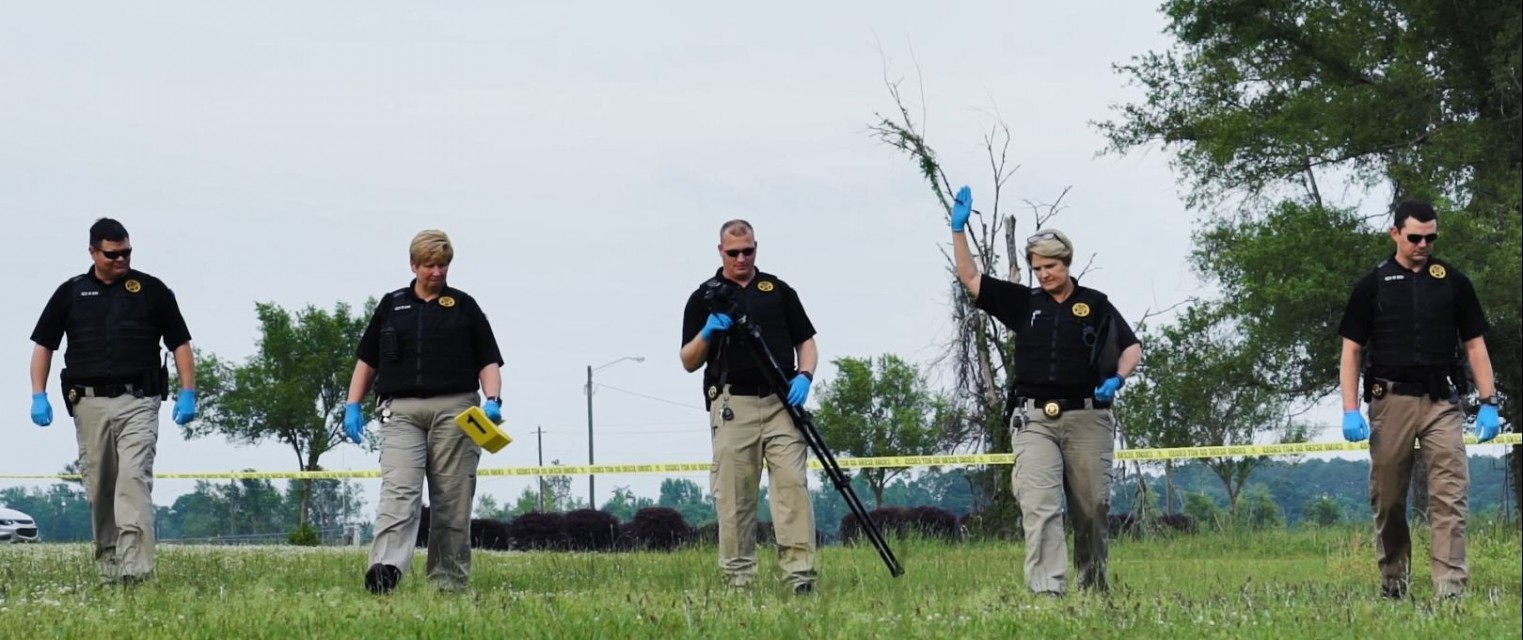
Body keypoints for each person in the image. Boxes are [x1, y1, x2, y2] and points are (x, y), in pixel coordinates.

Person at [948, 186, 1141, 596]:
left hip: (1087, 416)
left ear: (1067, 263)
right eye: (1038, 268)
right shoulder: (1024, 303)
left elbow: (1131, 347)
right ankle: (1047, 591)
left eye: (1051, 266)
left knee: (1091, 509)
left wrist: (1117, 380)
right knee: (1040, 506)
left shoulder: (1096, 303)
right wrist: (958, 231)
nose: (1044, 274)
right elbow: (970, 277)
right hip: (1034, 419)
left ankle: (1093, 585)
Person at [1337, 199, 1500, 600]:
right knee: (1390, 499)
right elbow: (1352, 351)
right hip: (1390, 402)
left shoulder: (1453, 282)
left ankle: (1451, 590)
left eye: (1430, 238)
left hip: (1442, 402)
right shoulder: (1371, 285)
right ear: (1395, 234)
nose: (1423, 245)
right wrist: (1349, 410)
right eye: (1415, 237)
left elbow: (1475, 345)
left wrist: (1489, 401)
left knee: (1450, 495)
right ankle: (1394, 583)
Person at [28, 217, 198, 585]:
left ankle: (136, 571)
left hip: (139, 401)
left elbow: (180, 343)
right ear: (93, 252)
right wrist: (38, 395)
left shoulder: (152, 291)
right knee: (101, 485)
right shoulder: (70, 293)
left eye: (127, 253)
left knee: (133, 479)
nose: (121, 260)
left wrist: (189, 390)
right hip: (89, 404)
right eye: (112, 254)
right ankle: (109, 568)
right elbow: (44, 345)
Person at [342, 229, 505, 594]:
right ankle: (385, 570)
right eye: (430, 265)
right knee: (399, 492)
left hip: (455, 410)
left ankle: (448, 583)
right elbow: (366, 362)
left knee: (452, 498)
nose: (437, 272)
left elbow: (489, 361)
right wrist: (352, 404)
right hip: (399, 411)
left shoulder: (465, 306)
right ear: (413, 265)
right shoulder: (391, 305)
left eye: (443, 265)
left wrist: (493, 400)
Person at [680, 219, 819, 594]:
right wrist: (708, 331)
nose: (741, 258)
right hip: (732, 404)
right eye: (733, 252)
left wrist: (804, 375)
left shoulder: (777, 291)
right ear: (720, 251)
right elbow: (688, 360)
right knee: (736, 497)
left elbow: (806, 341)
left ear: (757, 247)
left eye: (748, 251)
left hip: (781, 404)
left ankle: (800, 577)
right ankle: (738, 580)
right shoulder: (704, 297)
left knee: (792, 487)